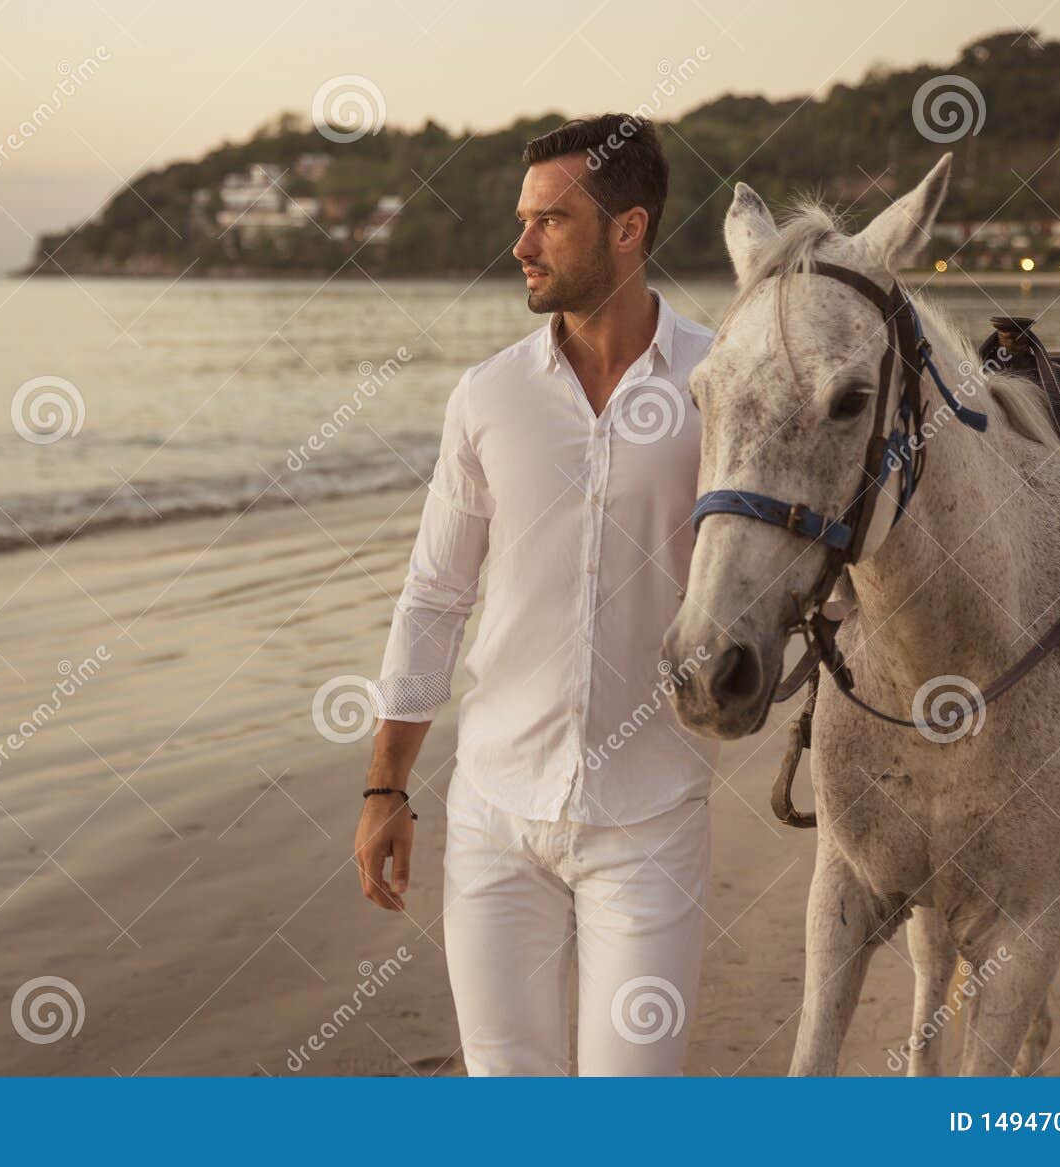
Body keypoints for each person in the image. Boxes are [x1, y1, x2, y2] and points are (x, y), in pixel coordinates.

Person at [352, 113, 719, 1076]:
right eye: (523, 220)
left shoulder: (721, 383)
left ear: (628, 229)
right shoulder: (487, 395)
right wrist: (387, 785)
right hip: (493, 818)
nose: (520, 245)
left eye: (550, 221)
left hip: (649, 816)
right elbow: (434, 594)